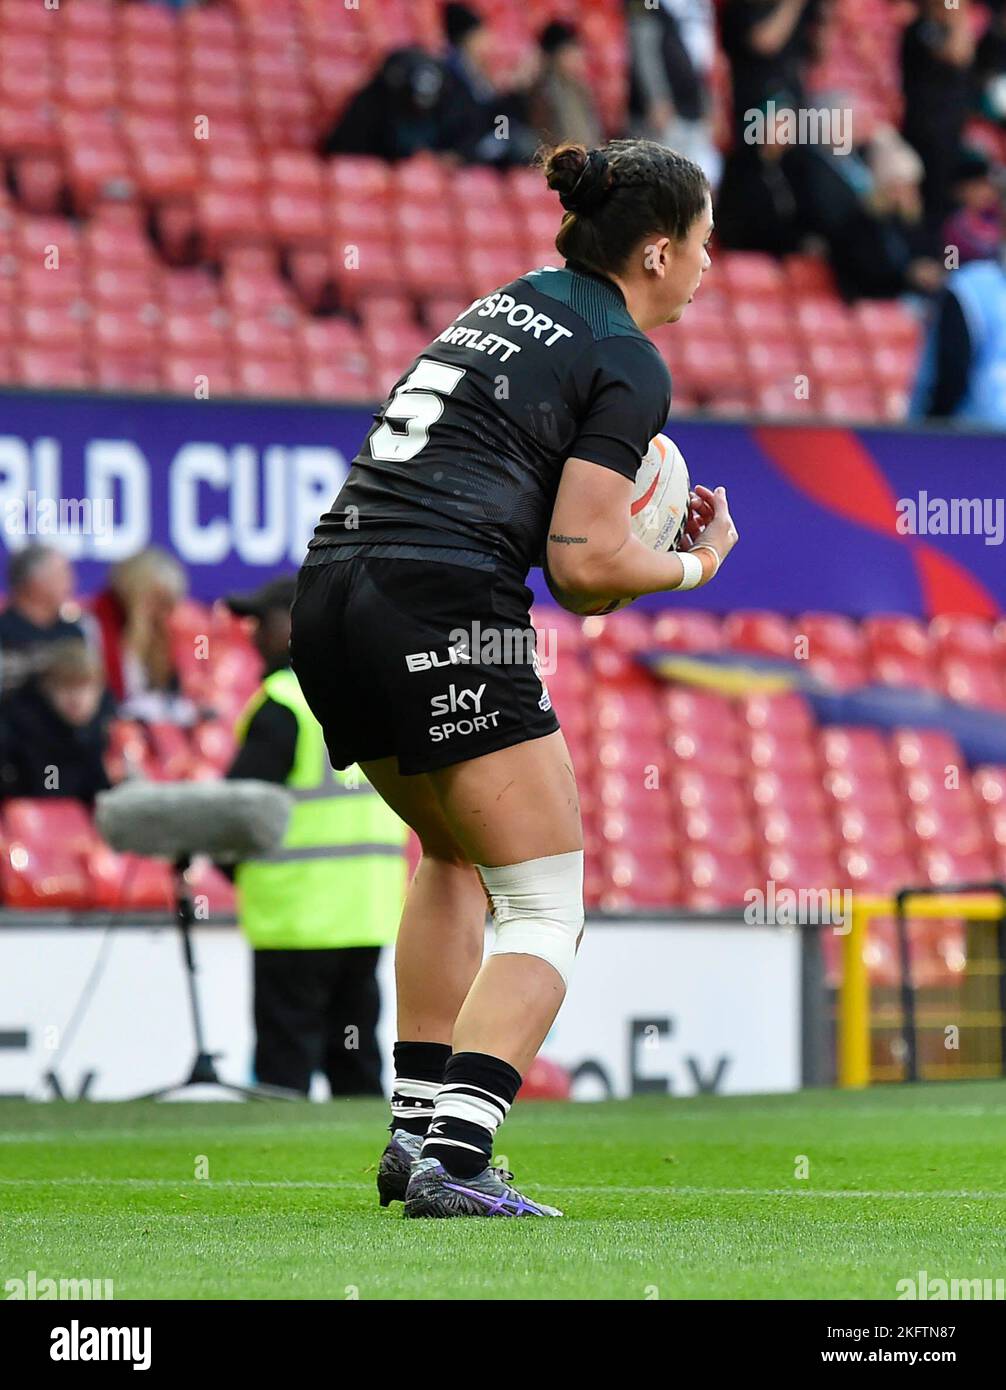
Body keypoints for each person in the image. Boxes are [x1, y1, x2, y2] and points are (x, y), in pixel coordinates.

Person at [290, 137, 739, 1218]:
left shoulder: (503, 303)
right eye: (706, 246)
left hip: (329, 592)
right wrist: (689, 563)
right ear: (656, 250)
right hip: (440, 602)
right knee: (543, 904)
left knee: (447, 853)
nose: (711, 268)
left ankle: (411, 1137)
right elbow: (585, 568)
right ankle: (459, 1150)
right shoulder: (627, 357)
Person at [224, 576, 408, 1097]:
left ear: (294, 624)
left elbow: (237, 811)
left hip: (296, 917)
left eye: (263, 620)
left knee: (285, 1071)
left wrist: (230, 866)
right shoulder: (377, 691)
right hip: (366, 912)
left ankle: (281, 1174)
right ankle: (378, 1168)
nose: (254, 632)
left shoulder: (282, 702)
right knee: (357, 1065)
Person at [87, 547, 195, 724]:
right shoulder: (92, 626)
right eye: (158, 601)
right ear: (134, 594)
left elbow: (175, 688)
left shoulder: (168, 633)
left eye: (168, 604)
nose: (163, 613)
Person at [0, 639, 111, 803]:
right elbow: (51, 791)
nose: (76, 698)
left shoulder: (103, 724)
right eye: (66, 686)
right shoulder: (27, 726)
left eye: (84, 686)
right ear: (47, 689)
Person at [909, 247, 1006, 425]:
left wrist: (933, 421)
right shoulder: (965, 277)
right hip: (978, 429)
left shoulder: (969, 286)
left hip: (975, 428)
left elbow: (952, 369)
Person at [0, 545, 84, 692]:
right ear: (33, 582)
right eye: (61, 575)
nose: (71, 583)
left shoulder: (73, 631)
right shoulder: (4, 631)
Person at [530, 20, 603, 151]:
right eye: (569, 52)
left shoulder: (581, 89)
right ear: (554, 57)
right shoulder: (545, 95)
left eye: (578, 51)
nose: (578, 57)